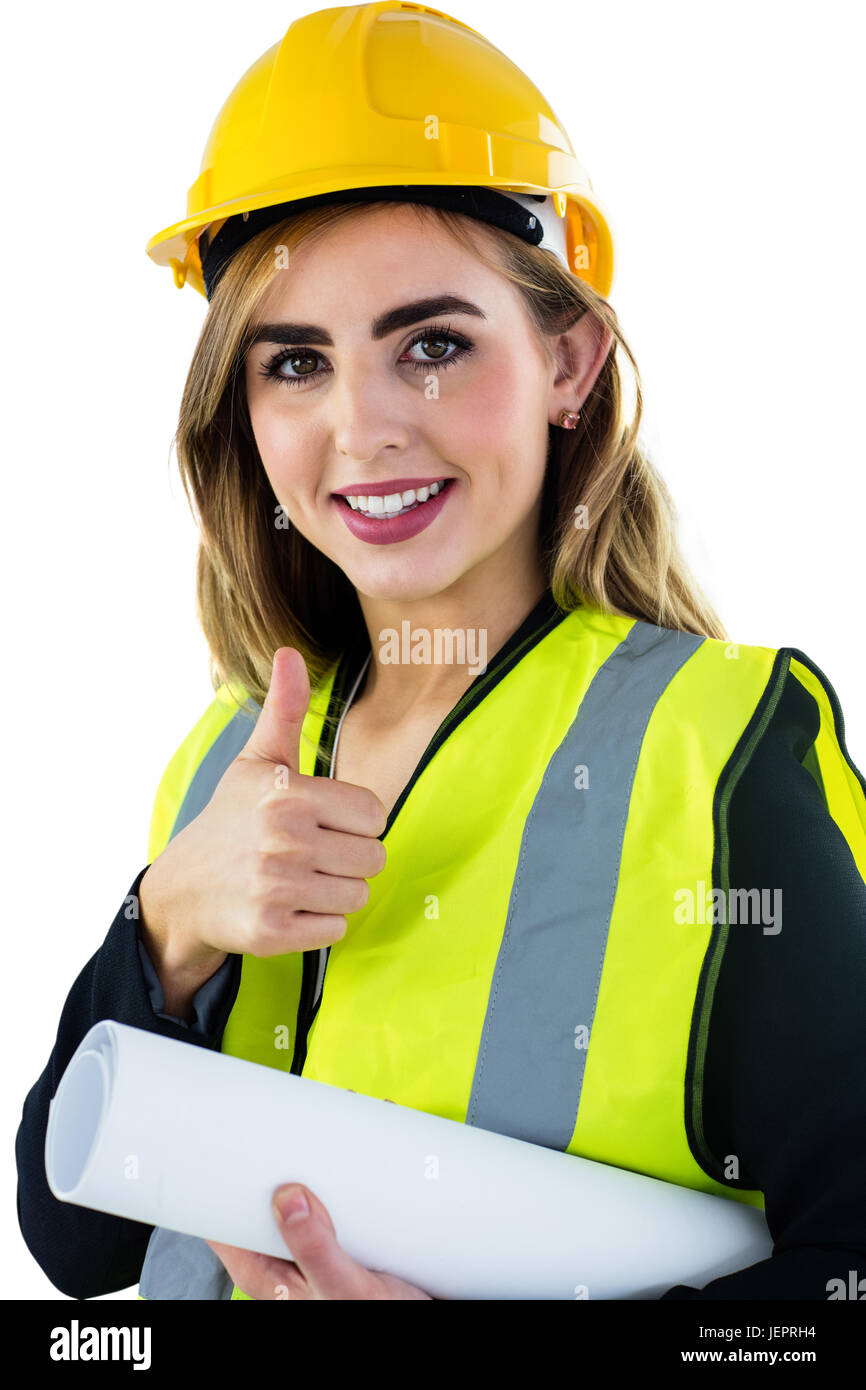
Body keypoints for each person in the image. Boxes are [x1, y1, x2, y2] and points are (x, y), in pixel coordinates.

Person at [16, 1, 866, 1302]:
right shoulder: (223, 758)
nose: (361, 429)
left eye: (430, 345)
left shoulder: (717, 750)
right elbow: (74, 1239)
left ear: (567, 361)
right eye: (294, 362)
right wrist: (167, 923)